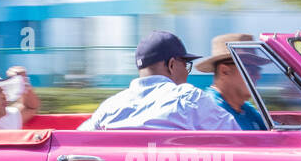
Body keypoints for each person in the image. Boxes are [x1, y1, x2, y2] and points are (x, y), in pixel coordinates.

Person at [79, 31, 238, 130]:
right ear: (171, 65)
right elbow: (241, 140)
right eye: (186, 65)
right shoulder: (188, 99)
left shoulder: (109, 107)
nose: (187, 73)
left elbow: (75, 143)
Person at [194, 33, 267, 130]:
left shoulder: (246, 109)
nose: (258, 76)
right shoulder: (212, 113)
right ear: (224, 71)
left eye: (258, 69)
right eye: (251, 69)